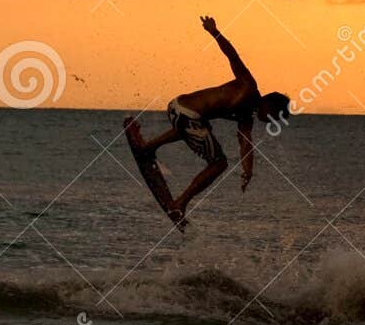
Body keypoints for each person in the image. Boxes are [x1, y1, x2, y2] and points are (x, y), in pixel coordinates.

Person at [121, 16, 290, 225]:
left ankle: (149, 147)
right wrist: (214, 31)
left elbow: (246, 144)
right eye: (274, 117)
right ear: (270, 105)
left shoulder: (247, 116)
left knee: (201, 128)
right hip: (186, 114)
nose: (271, 122)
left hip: (177, 108)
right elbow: (232, 56)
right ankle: (179, 204)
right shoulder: (248, 86)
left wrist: (248, 171)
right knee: (219, 163)